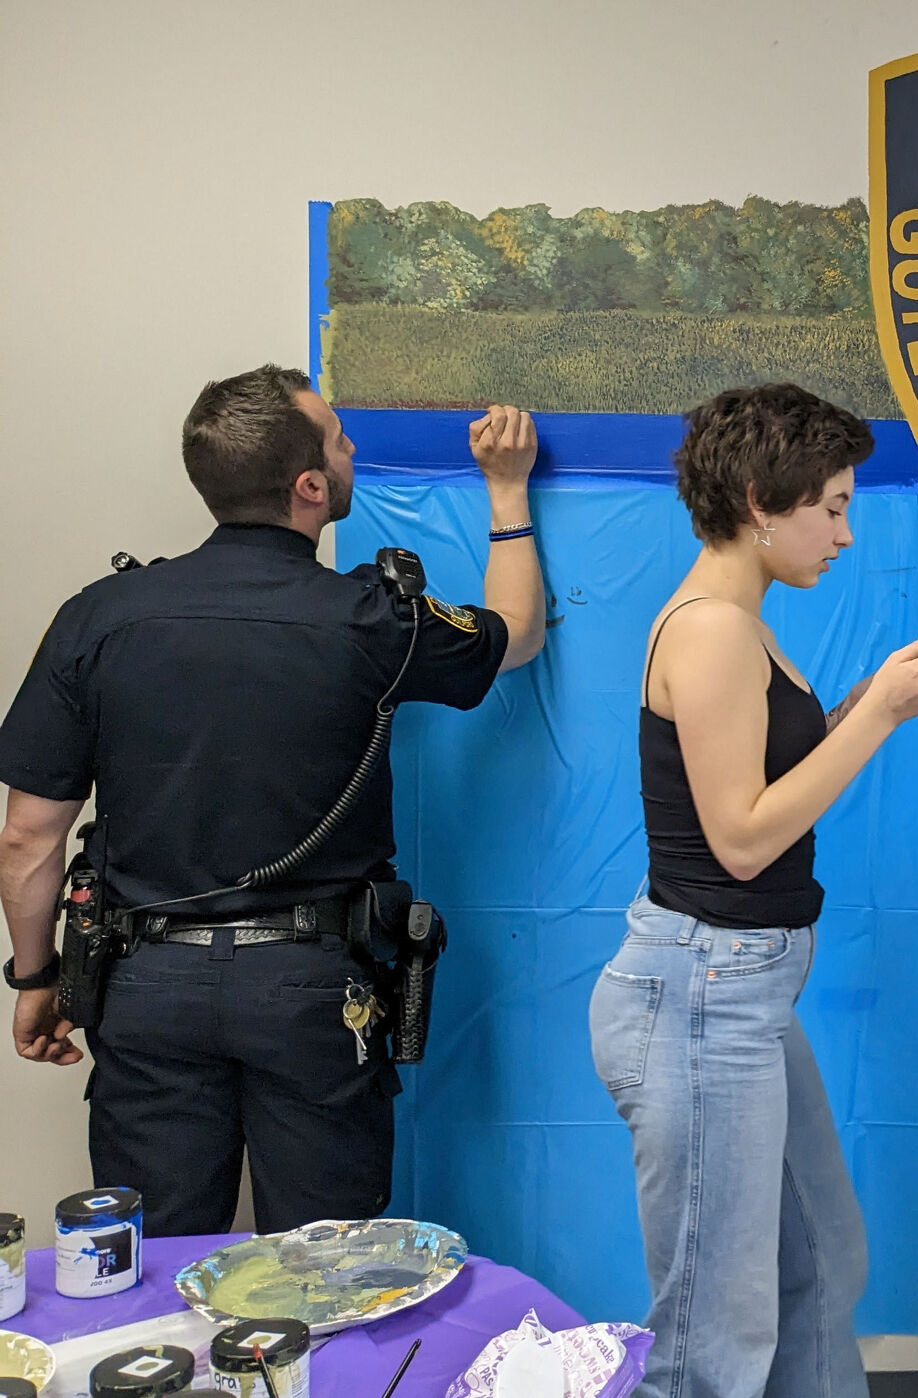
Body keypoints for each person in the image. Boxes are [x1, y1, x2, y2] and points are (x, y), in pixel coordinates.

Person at [0, 366, 546, 1235]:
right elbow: (513, 636)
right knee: (327, 1271)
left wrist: (36, 978)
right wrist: (509, 492)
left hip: (144, 987)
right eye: (338, 437)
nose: (353, 445)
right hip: (313, 994)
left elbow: (29, 838)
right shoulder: (373, 619)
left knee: (158, 1267)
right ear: (309, 485)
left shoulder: (97, 618)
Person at [590, 382, 918, 1398]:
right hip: (699, 992)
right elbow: (744, 842)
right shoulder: (710, 628)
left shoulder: (740, 624)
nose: (844, 533)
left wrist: (863, 708)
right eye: (830, 506)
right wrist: (874, 716)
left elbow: (758, 785)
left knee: (823, 1259)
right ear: (760, 502)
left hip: (738, 992)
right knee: (714, 1333)